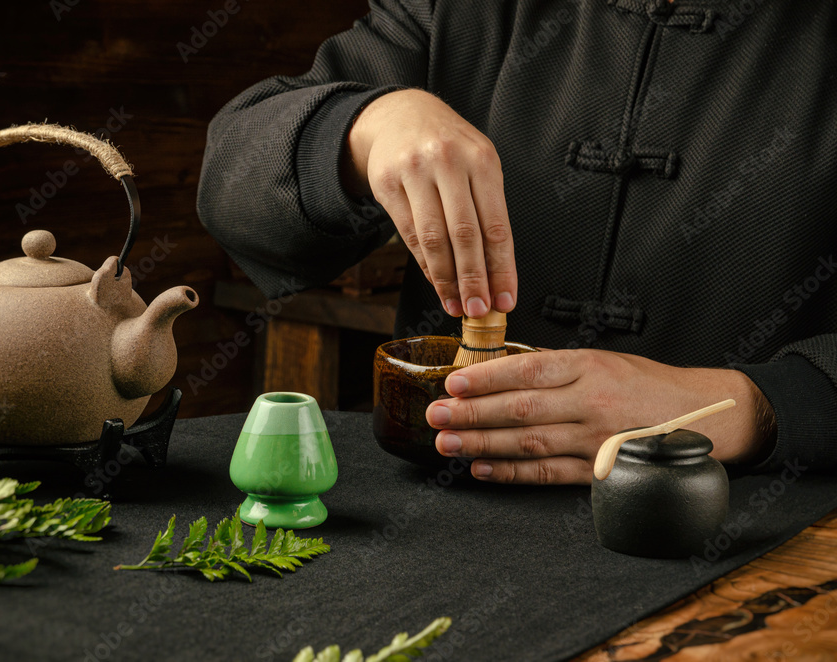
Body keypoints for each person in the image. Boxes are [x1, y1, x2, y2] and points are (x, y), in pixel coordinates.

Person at [197, 0, 837, 484]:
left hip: (748, 533)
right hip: (445, 519)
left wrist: (747, 409)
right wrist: (364, 129)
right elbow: (233, 185)